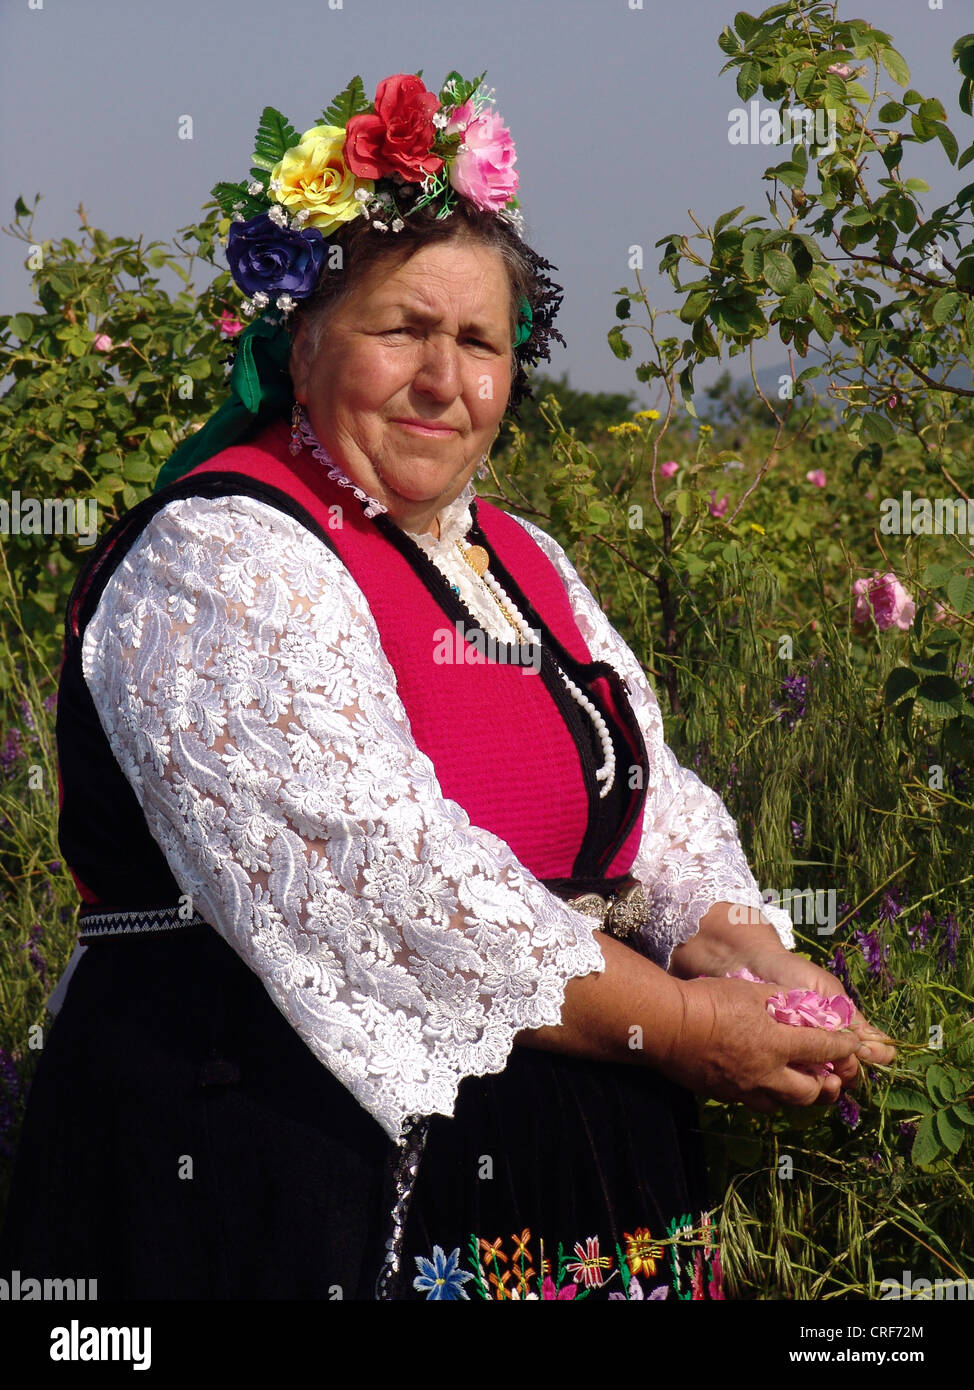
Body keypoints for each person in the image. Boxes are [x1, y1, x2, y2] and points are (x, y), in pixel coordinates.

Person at [0, 70, 893, 1302]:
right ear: (301, 342)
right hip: (270, 1162)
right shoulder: (223, 555)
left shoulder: (520, 560)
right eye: (400, 331)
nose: (444, 379)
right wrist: (686, 1029)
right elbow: (383, 875)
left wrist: (743, 953)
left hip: (563, 1166)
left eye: (478, 343)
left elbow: (648, 803)